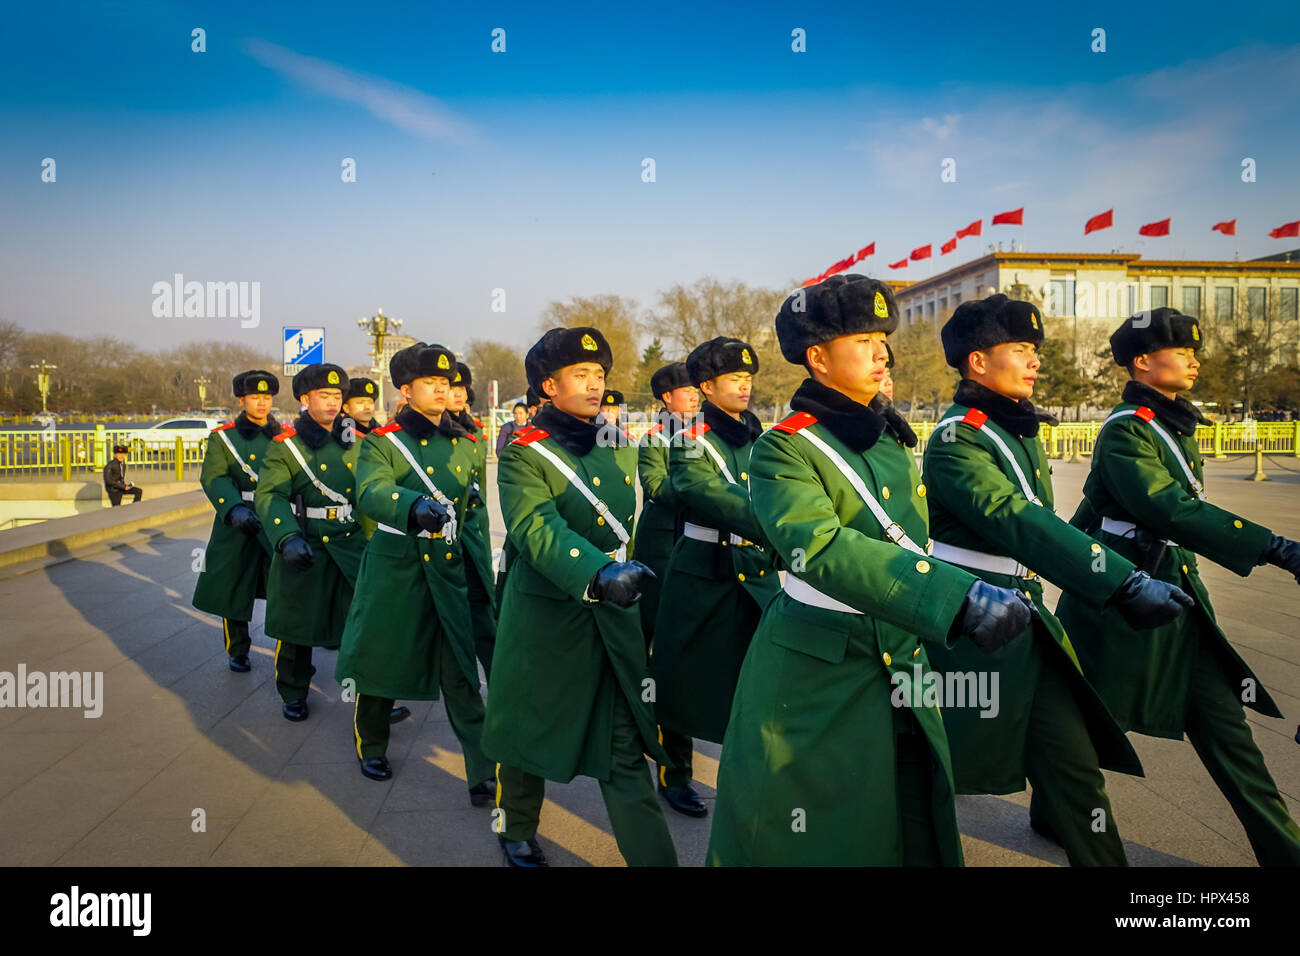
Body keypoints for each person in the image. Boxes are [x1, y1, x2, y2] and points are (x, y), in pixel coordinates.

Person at [708, 274, 1034, 865]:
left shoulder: (890, 439)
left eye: (883, 337)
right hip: (818, 663)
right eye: (863, 339)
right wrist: (953, 597)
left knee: (909, 810)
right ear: (818, 358)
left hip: (900, 648)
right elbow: (820, 547)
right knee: (803, 833)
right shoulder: (785, 447)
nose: (883, 351)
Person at [921, 294, 1192, 866]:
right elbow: (1014, 519)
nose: (1034, 360)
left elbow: (1045, 527)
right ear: (977, 361)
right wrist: (1122, 582)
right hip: (973, 627)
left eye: (1034, 350)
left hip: (1026, 617)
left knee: (1073, 764)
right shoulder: (957, 437)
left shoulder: (1014, 427)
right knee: (931, 770)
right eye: (1020, 349)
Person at [1055, 307, 1300, 865]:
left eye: (1195, 350)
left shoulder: (1166, 424)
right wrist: (1273, 547)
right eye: (1181, 350)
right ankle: (1056, 809)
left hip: (1174, 592)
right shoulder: (1126, 431)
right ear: (1143, 362)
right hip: (1124, 600)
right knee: (1086, 722)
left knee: (1226, 727)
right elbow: (1168, 508)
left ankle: (1283, 849)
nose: (1194, 359)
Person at [484, 326, 677, 868]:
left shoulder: (616, 446)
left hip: (613, 617)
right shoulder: (525, 453)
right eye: (581, 375)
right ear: (548, 385)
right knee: (526, 730)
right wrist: (596, 573)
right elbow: (534, 529)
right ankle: (515, 826)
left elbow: (625, 526)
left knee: (623, 747)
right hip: (548, 615)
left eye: (600, 375)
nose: (595, 385)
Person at [334, 344, 496, 794]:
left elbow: (473, 512)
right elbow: (369, 492)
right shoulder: (382, 443)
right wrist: (411, 505)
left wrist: (480, 566)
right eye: (431, 383)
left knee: (461, 670)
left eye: (447, 383)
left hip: (448, 568)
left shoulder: (465, 444)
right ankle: (371, 743)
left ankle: (482, 770)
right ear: (405, 390)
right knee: (382, 664)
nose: (443, 389)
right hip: (399, 569)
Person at [650, 337, 780, 758]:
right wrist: (779, 524)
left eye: (748, 378)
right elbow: (705, 492)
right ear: (707, 387)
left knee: (762, 676)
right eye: (734, 379)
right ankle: (675, 773)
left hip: (756, 571)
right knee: (680, 679)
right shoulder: (690, 440)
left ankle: (755, 769)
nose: (746, 387)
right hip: (703, 573)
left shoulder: (762, 437)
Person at [253, 363, 365, 722]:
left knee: (364, 619)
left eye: (338, 396)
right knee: (296, 623)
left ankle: (370, 696)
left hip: (351, 543)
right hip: (308, 543)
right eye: (324, 396)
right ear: (305, 399)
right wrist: (286, 537)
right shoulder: (287, 446)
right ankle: (294, 690)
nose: (333, 403)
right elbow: (269, 495)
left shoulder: (358, 443)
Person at [634, 362, 704, 816]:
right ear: (666, 399)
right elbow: (657, 486)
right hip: (662, 555)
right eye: (686, 390)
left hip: (706, 557)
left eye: (697, 389)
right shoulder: (654, 440)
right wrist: (706, 492)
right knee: (661, 660)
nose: (695, 396)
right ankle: (672, 771)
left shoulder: (710, 436)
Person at [192, 370, 282, 672]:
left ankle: (287, 648)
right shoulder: (224, 438)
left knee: (285, 585)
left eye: (266, 397)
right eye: (255, 397)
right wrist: (232, 509)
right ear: (242, 400)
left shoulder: (284, 437)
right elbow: (214, 477)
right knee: (234, 588)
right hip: (238, 522)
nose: (261, 403)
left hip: (274, 520)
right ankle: (238, 648)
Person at [448, 362, 498, 682]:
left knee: (483, 612)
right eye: (450, 387)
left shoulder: (475, 432)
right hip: (435, 538)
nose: (456, 394)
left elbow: (478, 490)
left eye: (461, 388)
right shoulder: (412, 436)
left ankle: (500, 683)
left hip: (472, 537)